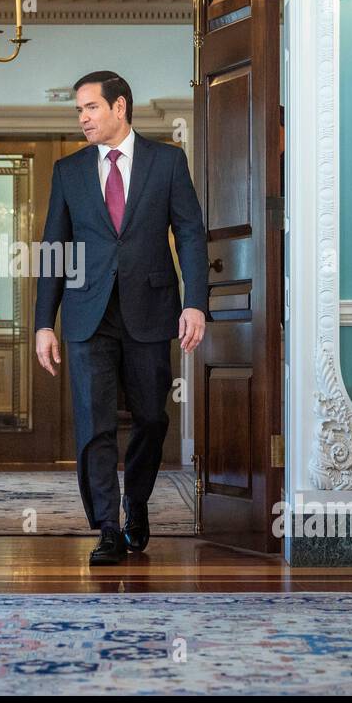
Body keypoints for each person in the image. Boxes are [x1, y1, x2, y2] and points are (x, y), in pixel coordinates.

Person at [34, 71, 209, 565]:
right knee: (94, 423)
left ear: (120, 107)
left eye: (90, 108)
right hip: (88, 313)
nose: (83, 118)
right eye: (79, 111)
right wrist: (45, 322)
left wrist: (195, 300)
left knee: (152, 418)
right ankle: (108, 527)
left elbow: (192, 235)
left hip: (152, 311)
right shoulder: (68, 172)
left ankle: (137, 502)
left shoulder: (167, 162)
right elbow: (53, 249)